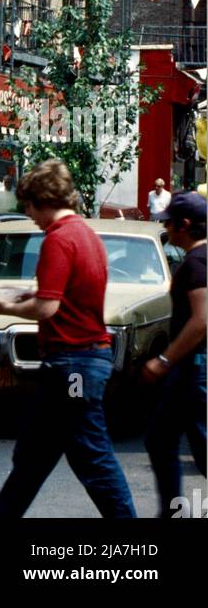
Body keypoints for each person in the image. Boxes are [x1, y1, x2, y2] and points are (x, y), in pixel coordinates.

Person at [0, 159, 136, 519]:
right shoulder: (85, 234)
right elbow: (63, 295)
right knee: (33, 455)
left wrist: (6, 308)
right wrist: (25, 295)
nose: (29, 215)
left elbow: (48, 307)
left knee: (90, 453)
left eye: (29, 207)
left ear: (42, 201)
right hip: (75, 365)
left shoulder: (58, 239)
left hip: (73, 366)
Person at [143, 191, 207, 517]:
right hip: (189, 370)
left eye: (169, 221)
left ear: (184, 224)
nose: (165, 226)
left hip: (192, 369)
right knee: (160, 439)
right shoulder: (201, 258)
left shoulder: (196, 263)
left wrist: (164, 360)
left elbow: (201, 321)